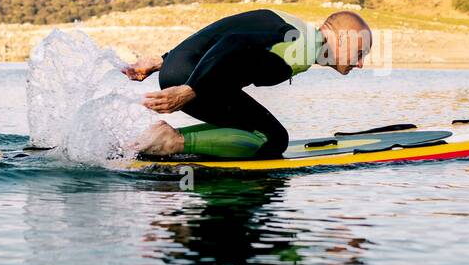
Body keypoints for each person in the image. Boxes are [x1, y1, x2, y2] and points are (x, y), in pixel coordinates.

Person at [125, 9, 372, 160]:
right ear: (342, 38)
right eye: (360, 52)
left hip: (182, 67)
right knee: (273, 138)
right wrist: (189, 90)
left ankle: (147, 140)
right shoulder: (304, 47)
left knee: (254, 127)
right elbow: (233, 42)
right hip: (192, 78)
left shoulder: (291, 24)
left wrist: (164, 61)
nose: (360, 63)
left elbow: (224, 28)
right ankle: (171, 141)